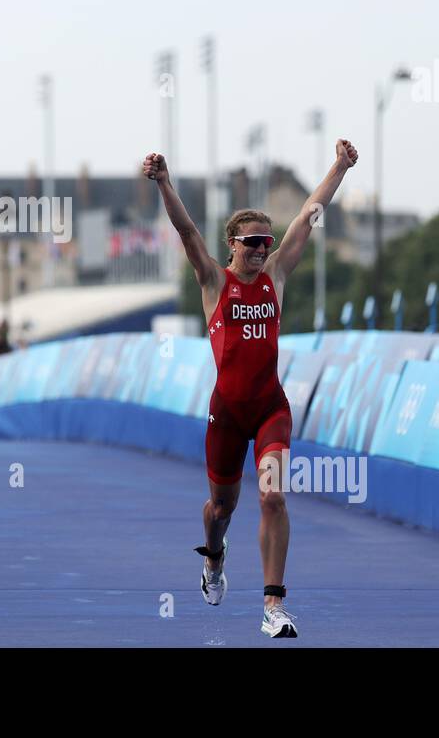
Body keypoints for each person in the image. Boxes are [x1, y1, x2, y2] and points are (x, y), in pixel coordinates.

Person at [143, 137, 360, 639]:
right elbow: (186, 228)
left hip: (269, 410)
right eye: (253, 243)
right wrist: (164, 182)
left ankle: (273, 605)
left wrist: (340, 167)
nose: (263, 250)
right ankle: (214, 559)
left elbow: (309, 214)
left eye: (268, 242)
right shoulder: (213, 283)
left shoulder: (277, 276)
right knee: (221, 509)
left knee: (273, 498)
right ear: (232, 246)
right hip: (227, 413)